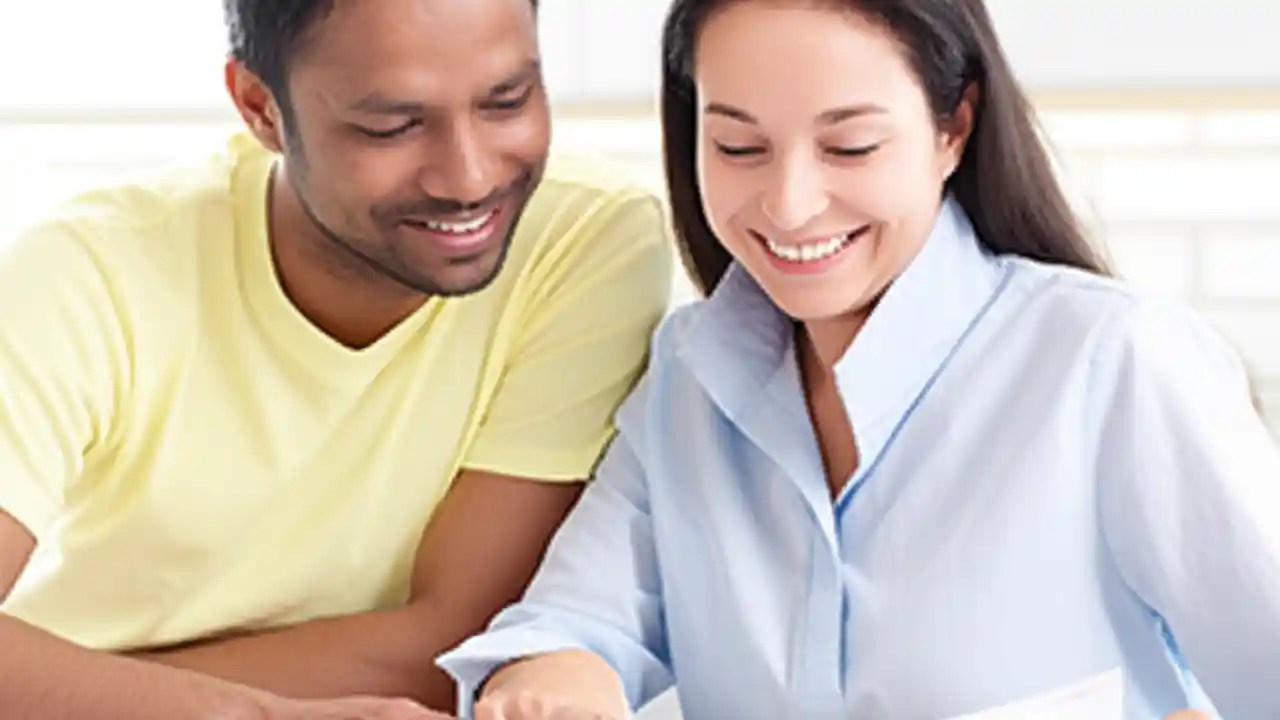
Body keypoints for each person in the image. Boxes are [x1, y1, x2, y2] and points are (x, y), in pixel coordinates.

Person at [436, 0, 1280, 718]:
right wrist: (553, 673)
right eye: (738, 148)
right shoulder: (691, 377)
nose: (790, 205)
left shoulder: (1111, 363)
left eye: (849, 148)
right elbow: (579, 620)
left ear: (954, 127)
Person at [0, 0, 671, 717]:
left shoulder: (583, 242)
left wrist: (67, 688)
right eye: (393, 126)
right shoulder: (89, 274)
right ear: (260, 108)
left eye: (506, 102)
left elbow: (461, 645)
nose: (469, 178)